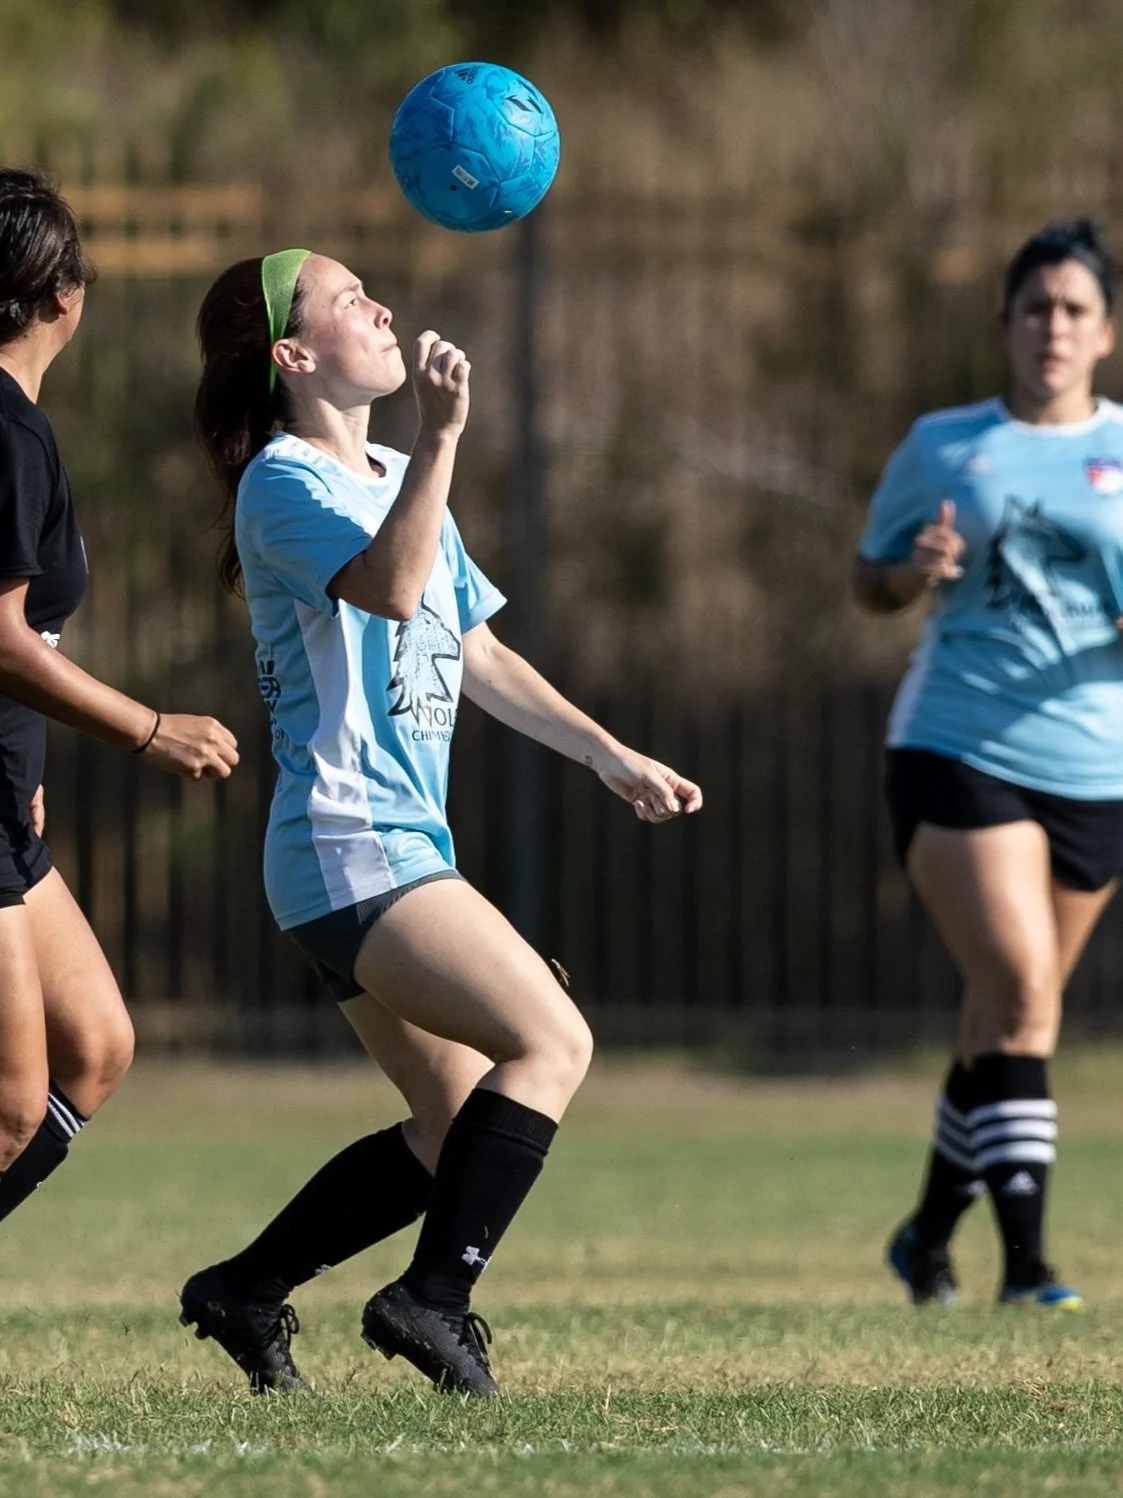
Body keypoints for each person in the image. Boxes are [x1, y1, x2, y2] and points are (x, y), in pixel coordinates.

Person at [180, 248, 703, 1396]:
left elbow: (476, 652)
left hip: (374, 849)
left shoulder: (398, 467)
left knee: (453, 1114)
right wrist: (451, 441)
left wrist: (607, 754)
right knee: (554, 1041)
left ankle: (245, 1287)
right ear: (292, 353)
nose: (377, 304)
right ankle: (431, 1299)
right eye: (343, 297)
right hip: (348, 839)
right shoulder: (283, 482)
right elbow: (392, 589)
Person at [853, 218, 1123, 1311]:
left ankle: (924, 1238)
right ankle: (1027, 1268)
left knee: (1007, 1019)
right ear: (1005, 324)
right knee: (1018, 993)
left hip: (1095, 768)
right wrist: (912, 571)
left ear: (1104, 332)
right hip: (959, 746)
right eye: (1032, 307)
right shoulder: (945, 444)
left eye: (1072, 309)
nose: (1050, 326)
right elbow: (866, 582)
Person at [0, 170, 239, 1242]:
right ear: (65, 294)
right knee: (10, 1107)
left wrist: (30, 766)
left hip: (8, 795)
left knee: (93, 1043)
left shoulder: (20, 427)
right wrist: (149, 728)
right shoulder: (5, 434)